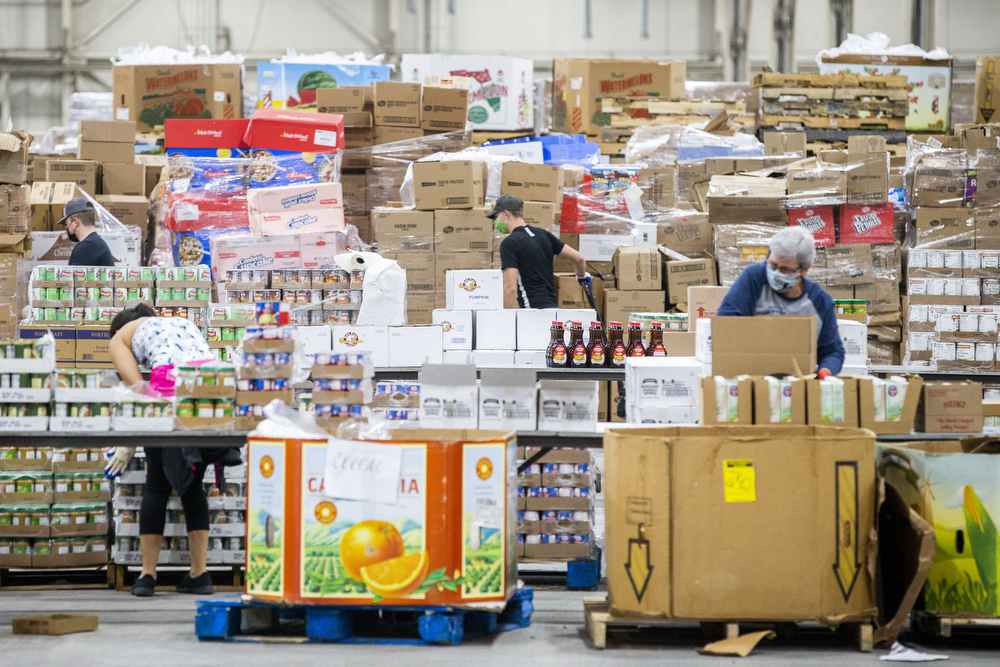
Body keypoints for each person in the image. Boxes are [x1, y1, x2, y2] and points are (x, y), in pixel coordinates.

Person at [105, 304, 238, 597]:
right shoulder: (178, 324)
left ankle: (147, 577)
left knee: (156, 484)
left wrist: (131, 434)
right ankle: (200, 575)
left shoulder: (119, 337)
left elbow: (139, 389)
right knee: (192, 485)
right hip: (213, 390)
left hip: (172, 385)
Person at [716, 226, 845, 378]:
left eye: (785, 269)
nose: (776, 273)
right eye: (773, 265)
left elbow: (833, 351)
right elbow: (726, 323)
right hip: (752, 378)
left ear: (804, 270)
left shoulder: (819, 301)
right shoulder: (754, 279)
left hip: (797, 382)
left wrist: (825, 372)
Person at [487, 194, 590, 309]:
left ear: (506, 214)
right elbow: (579, 258)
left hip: (532, 311)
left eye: (496, 217)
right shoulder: (543, 234)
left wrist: (503, 318)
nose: (495, 223)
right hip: (552, 309)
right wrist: (581, 276)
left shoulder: (510, 243)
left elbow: (511, 288)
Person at [56, 197, 115, 267]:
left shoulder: (86, 247)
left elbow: (76, 277)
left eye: (67, 224)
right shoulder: (96, 243)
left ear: (75, 222)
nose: (67, 228)